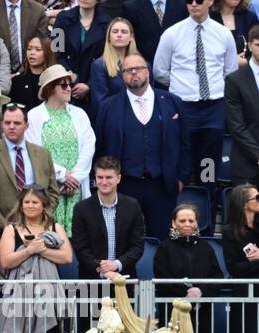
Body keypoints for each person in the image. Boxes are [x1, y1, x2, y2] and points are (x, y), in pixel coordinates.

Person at [93, 54, 191, 242]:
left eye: (138, 68)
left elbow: (184, 143)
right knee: (123, 240)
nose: (134, 73)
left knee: (163, 242)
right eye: (128, 70)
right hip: (124, 186)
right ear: (123, 76)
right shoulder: (108, 106)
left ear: (148, 72)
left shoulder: (172, 102)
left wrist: (181, 178)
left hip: (162, 185)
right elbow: (100, 146)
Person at [0, 185, 72, 333]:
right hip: (19, 301)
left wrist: (42, 250)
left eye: (34, 202)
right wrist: (28, 250)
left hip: (47, 300)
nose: (29, 206)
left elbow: (66, 257)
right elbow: (6, 261)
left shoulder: (55, 227)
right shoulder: (11, 229)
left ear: (43, 206)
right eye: (26, 202)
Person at [153, 0, 237, 198]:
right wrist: (184, 87)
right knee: (181, 158)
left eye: (199, 0)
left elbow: (231, 70)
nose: (193, 4)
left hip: (214, 107)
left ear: (210, 2)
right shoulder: (172, 33)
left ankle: (206, 200)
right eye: (189, 0)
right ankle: (178, 211)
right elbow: (160, 71)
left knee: (208, 162)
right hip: (183, 106)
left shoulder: (223, 34)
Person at [0, 102, 58, 254]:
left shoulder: (43, 154)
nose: (11, 126)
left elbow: (53, 192)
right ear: (2, 125)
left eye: (17, 123)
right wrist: (8, 228)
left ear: (27, 125)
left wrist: (42, 222)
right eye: (7, 123)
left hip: (39, 237)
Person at [25, 65, 94, 231]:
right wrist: (62, 176)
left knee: (78, 236)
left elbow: (89, 147)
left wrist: (75, 178)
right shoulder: (34, 116)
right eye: (63, 85)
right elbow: (34, 151)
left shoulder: (80, 114)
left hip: (76, 188)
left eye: (70, 84)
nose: (69, 88)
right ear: (50, 89)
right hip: (50, 187)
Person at [70, 155, 146, 281]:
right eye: (100, 177)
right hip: (92, 280)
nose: (104, 182)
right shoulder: (81, 208)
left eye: (109, 177)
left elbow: (137, 246)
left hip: (124, 278)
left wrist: (116, 264)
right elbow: (80, 248)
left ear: (118, 178)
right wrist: (103, 271)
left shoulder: (133, 206)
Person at [222, 182, 259, 333]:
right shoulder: (230, 232)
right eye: (257, 197)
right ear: (244, 203)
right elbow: (233, 268)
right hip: (243, 295)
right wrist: (254, 262)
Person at [154, 203, 225, 318]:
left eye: (191, 221)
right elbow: (162, 278)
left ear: (196, 223)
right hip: (173, 311)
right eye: (182, 221)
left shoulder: (206, 247)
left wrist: (201, 292)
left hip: (202, 312)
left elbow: (217, 276)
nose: (187, 224)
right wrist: (187, 295)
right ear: (173, 223)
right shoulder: (164, 247)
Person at [54, 0, 111, 105]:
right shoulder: (62, 18)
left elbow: (108, 58)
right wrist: (71, 77)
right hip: (66, 83)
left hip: (94, 88)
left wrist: (89, 85)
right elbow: (56, 52)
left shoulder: (107, 23)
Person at [224, 26, 259, 187]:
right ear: (250, 45)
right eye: (258, 45)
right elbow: (236, 125)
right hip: (246, 164)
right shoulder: (234, 80)